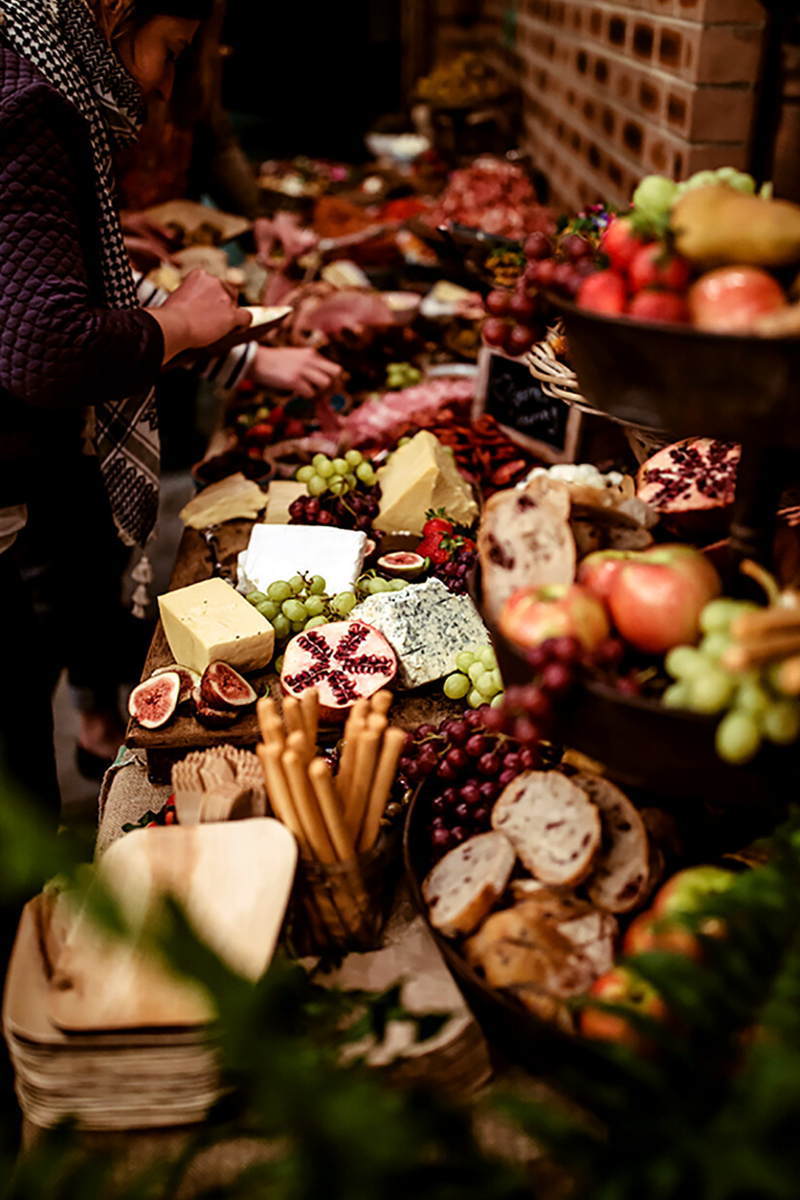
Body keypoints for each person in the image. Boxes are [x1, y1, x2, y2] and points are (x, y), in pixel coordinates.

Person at [0, 0, 253, 812]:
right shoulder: (33, 105)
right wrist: (180, 323)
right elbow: (49, 347)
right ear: (116, 11)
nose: (168, 85)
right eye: (171, 51)